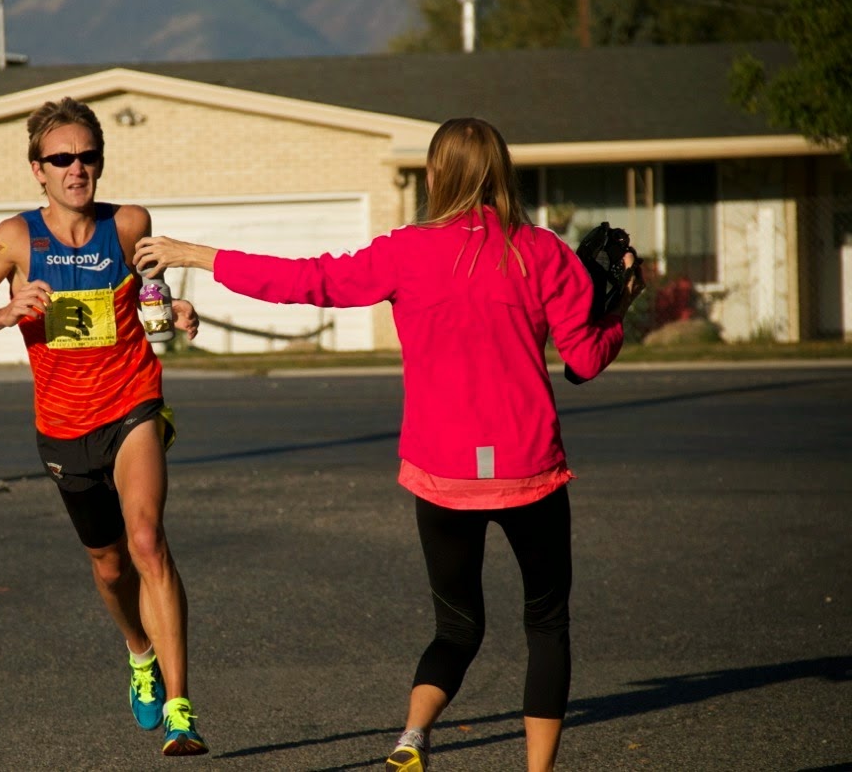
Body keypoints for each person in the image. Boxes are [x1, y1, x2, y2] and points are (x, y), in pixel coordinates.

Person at [133, 117, 645, 772]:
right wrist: (621, 305)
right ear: (501, 174)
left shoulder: (407, 250)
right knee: (545, 625)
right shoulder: (541, 252)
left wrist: (195, 255)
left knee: (457, 626)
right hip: (529, 472)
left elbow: (307, 280)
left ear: (437, 176)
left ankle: (412, 736)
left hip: (442, 474)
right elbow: (585, 356)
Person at [0, 97, 208, 757]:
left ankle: (181, 709)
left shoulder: (128, 223)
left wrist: (172, 307)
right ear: (38, 169)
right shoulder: (14, 237)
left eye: (88, 156)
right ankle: (138, 651)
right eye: (62, 158)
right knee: (110, 562)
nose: (77, 168)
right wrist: (8, 314)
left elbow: (150, 293)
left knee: (147, 539)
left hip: (133, 403)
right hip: (63, 426)